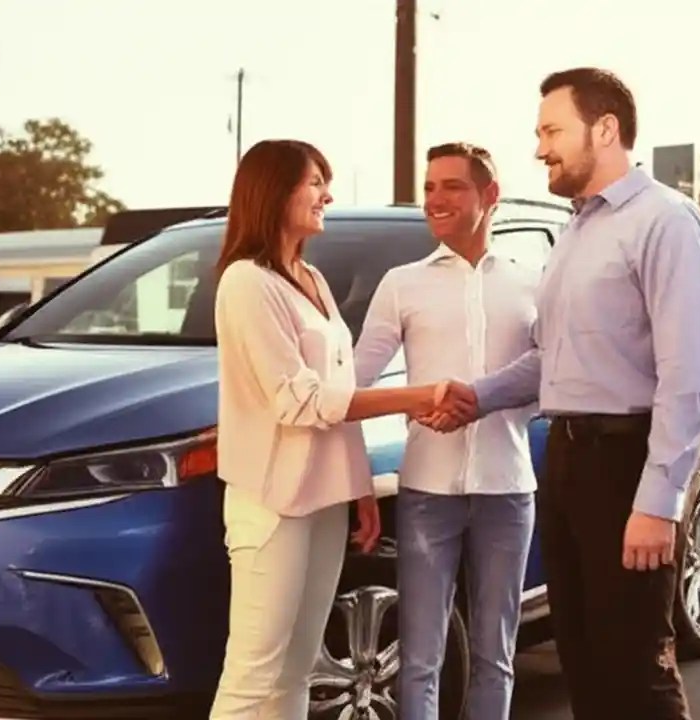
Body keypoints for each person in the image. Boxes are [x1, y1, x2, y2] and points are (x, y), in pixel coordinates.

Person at [462, 68, 700, 719]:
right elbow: (554, 356)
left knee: (636, 669)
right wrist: (476, 396)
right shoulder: (577, 229)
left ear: (604, 129)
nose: (540, 148)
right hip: (569, 461)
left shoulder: (666, 222)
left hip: (625, 465)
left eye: (552, 131)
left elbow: (689, 375)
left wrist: (658, 501)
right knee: (583, 663)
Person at [209, 138, 474, 720]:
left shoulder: (311, 279)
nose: (326, 195)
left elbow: (340, 384)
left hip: (324, 500)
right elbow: (300, 401)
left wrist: (360, 489)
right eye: (315, 183)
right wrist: (419, 394)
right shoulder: (246, 283)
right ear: (274, 191)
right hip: (272, 504)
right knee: (255, 673)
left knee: (297, 670)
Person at [352, 142, 539, 720]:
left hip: (508, 489)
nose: (435, 199)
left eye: (452, 186)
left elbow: (553, 371)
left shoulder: (532, 284)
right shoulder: (401, 284)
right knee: (420, 658)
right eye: (429, 187)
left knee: (495, 656)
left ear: (490, 195)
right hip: (426, 491)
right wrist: (360, 479)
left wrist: (483, 401)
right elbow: (352, 386)